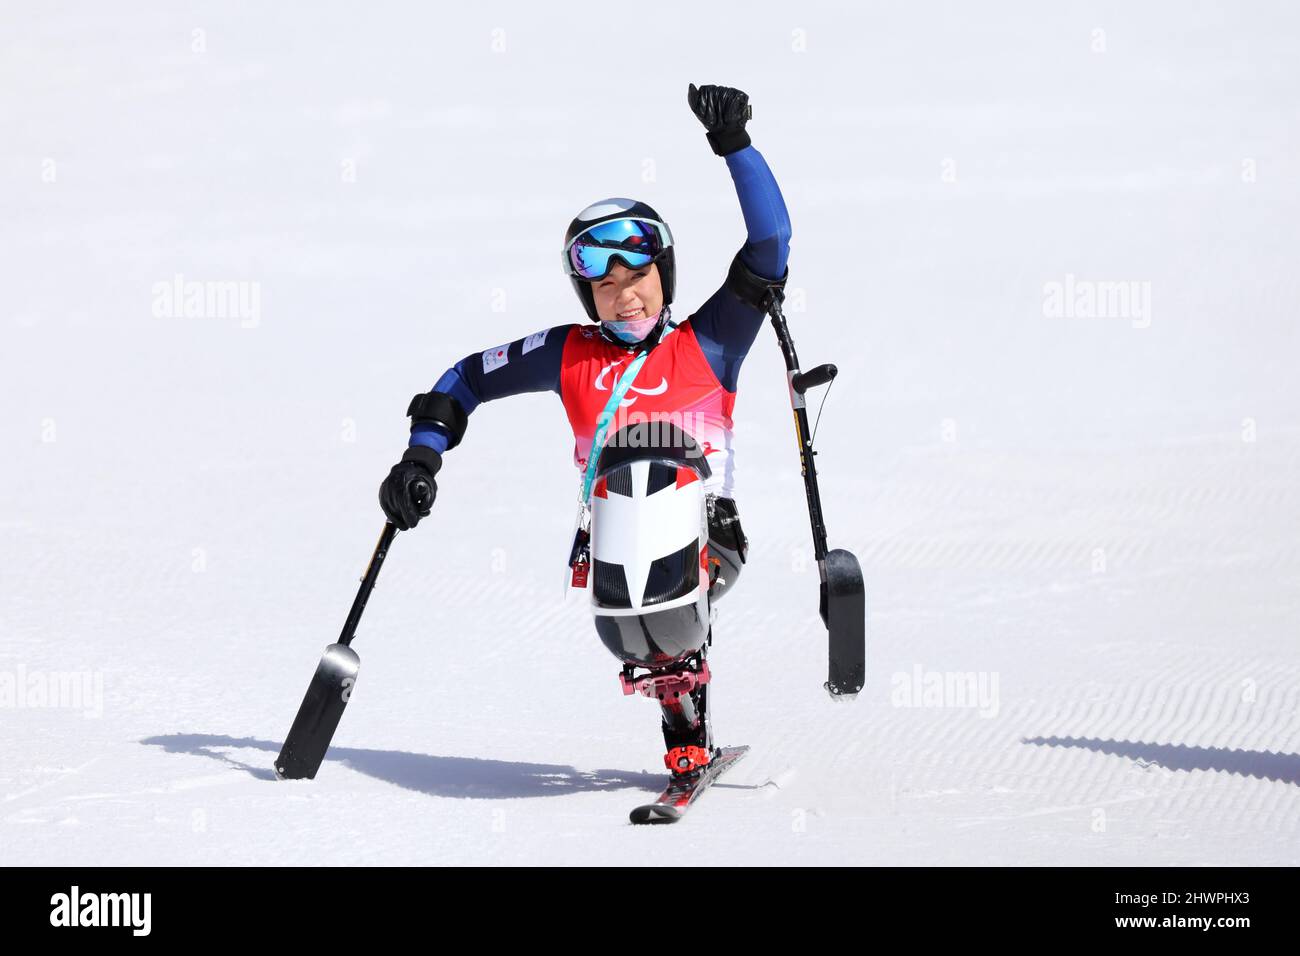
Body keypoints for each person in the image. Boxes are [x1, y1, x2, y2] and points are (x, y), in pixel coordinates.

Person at [378, 83, 791, 776]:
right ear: (587, 294)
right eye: (606, 285)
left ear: (664, 274)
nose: (625, 293)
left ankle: (682, 710)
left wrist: (736, 146)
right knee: (627, 623)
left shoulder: (713, 340)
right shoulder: (570, 353)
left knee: (659, 610)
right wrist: (421, 458)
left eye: (638, 276)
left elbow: (771, 242)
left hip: (707, 533)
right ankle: (678, 700)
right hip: (612, 543)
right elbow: (464, 380)